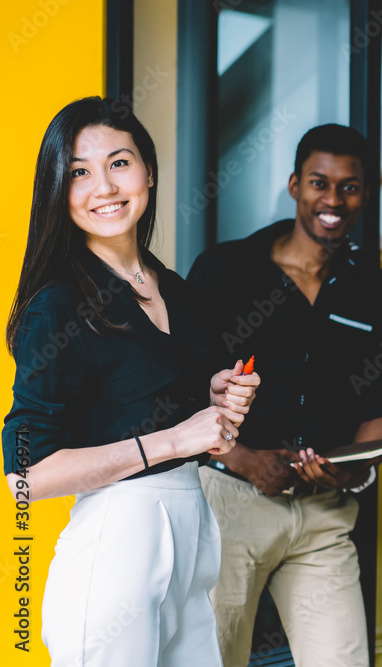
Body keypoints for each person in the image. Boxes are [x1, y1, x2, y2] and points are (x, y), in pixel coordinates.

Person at [2, 97, 261, 665]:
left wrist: (214, 402)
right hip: (116, 545)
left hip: (192, 536)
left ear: (148, 170)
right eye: (78, 171)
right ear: (58, 188)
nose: (104, 187)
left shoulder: (177, 291)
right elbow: (25, 477)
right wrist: (173, 439)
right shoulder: (60, 306)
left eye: (119, 163)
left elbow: (198, 431)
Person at [186, 124, 382, 667]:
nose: (333, 199)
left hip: (324, 513)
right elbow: (178, 390)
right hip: (229, 503)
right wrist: (241, 458)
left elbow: (380, 409)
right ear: (294, 185)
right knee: (215, 659)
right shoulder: (224, 272)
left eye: (349, 186)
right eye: (319, 183)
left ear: (365, 194)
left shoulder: (372, 291)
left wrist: (353, 468)